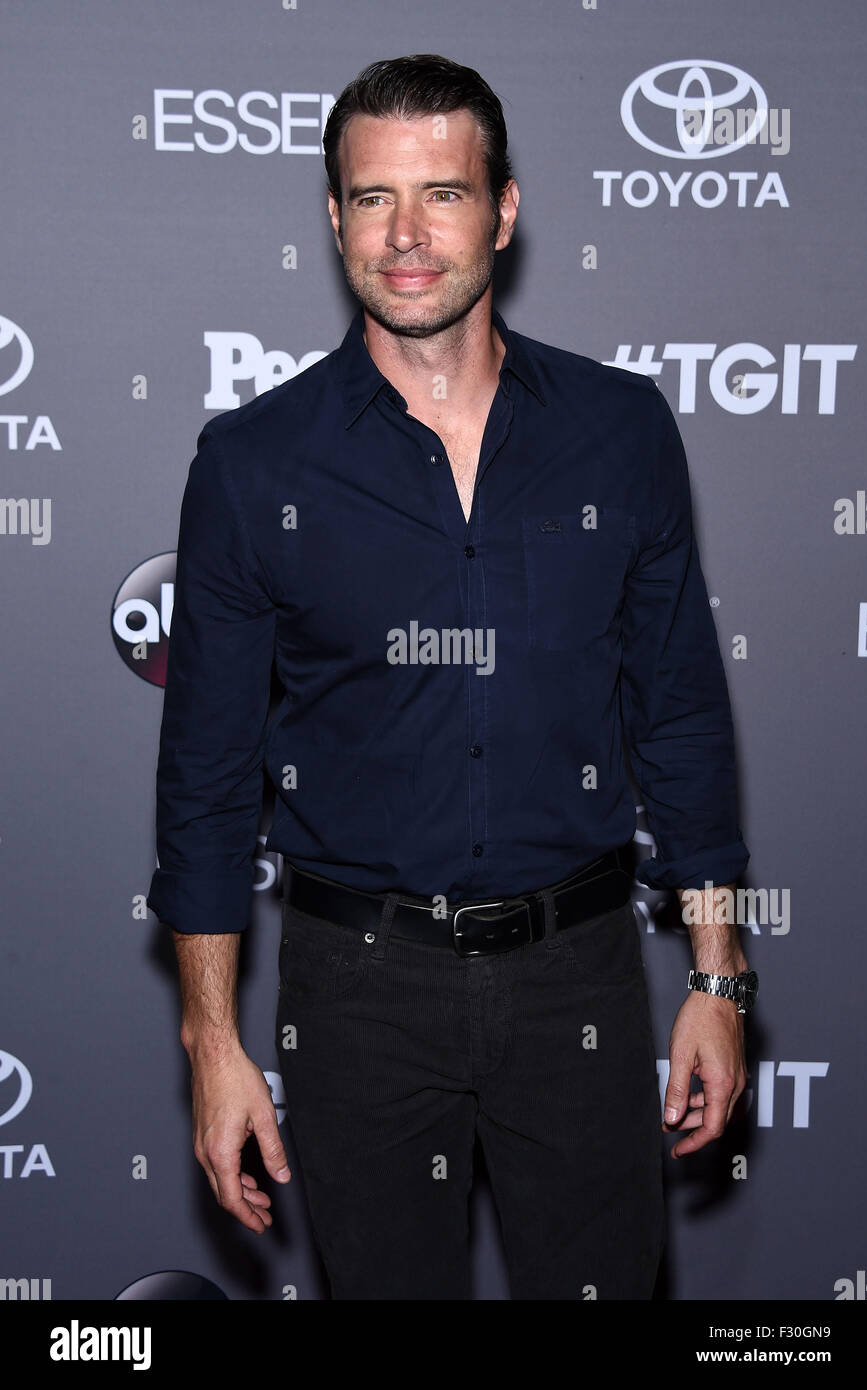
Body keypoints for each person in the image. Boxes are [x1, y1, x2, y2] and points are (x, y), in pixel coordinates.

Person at [147, 53, 754, 1301]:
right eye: (373, 199)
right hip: (357, 989)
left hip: (576, 971)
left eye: (443, 194)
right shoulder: (254, 465)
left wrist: (714, 972)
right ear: (332, 218)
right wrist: (211, 1041)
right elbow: (205, 780)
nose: (408, 236)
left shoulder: (620, 428)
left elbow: (680, 716)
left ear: (506, 209)